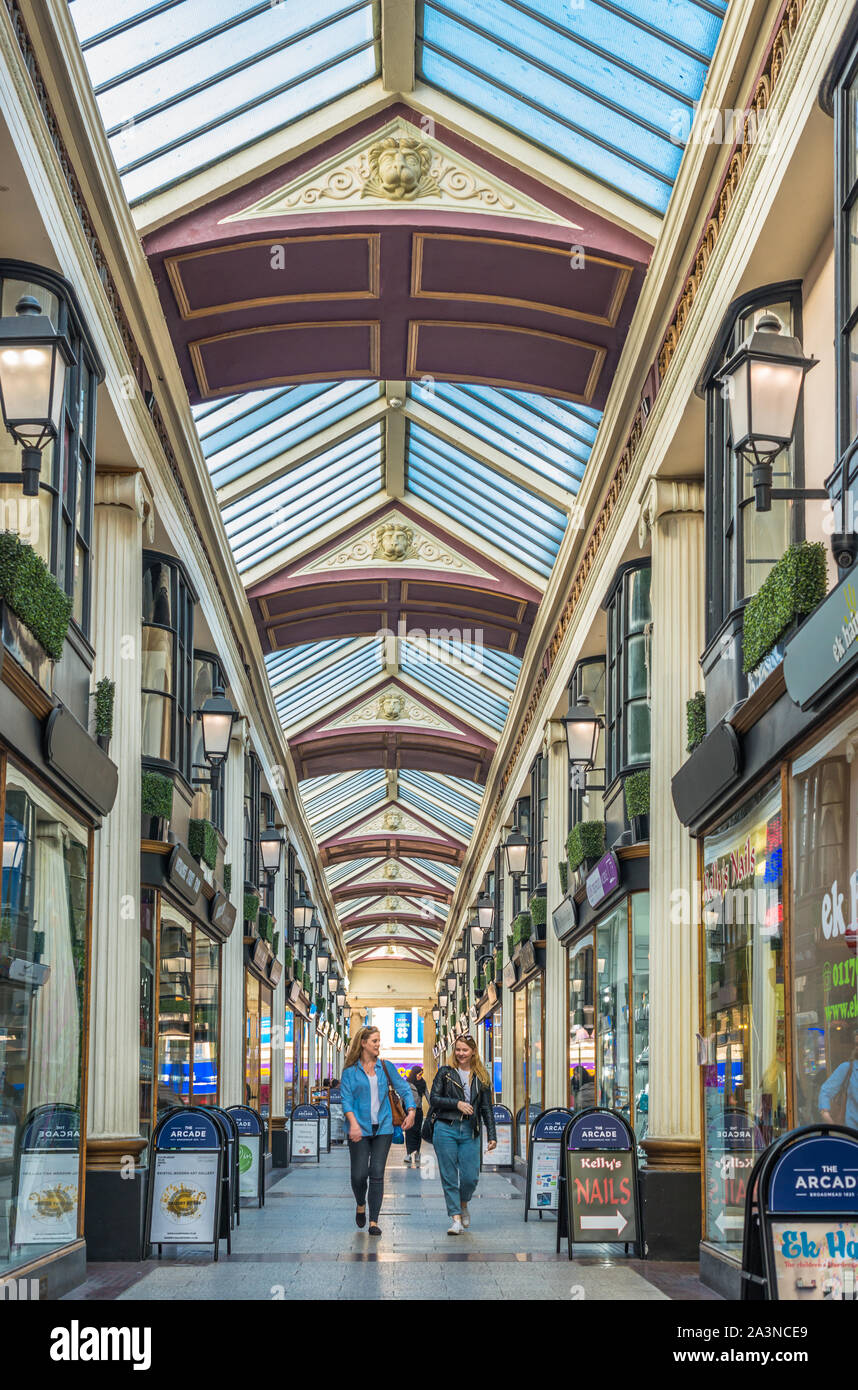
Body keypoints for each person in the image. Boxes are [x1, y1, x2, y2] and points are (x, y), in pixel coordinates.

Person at [340, 1026, 415, 1235]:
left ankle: (374, 1221)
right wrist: (353, 1123)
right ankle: (360, 1204)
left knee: (376, 1173)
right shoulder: (350, 1072)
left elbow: (404, 1088)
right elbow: (346, 1100)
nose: (377, 1044)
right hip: (359, 1130)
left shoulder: (385, 1067)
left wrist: (411, 1110)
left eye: (378, 1040)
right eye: (374, 1040)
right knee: (358, 1175)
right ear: (363, 1043)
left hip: (383, 1128)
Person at [429, 1035, 496, 1234]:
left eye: (464, 1050)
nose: (460, 1054)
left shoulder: (481, 1076)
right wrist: (456, 1104)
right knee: (449, 1175)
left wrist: (492, 1135)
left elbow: (486, 1108)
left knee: (470, 1177)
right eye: (457, 1050)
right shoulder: (445, 1073)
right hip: (445, 1128)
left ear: (473, 1051)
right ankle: (455, 1219)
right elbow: (434, 1099)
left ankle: (463, 1203)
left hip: (470, 1130)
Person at [819, 1032, 858, 1128]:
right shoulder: (847, 1068)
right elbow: (825, 1092)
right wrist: (831, 1124)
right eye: (857, 1044)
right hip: (851, 1134)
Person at [403, 1065, 428, 1167]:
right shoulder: (407, 1083)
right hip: (408, 1111)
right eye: (419, 1074)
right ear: (414, 1073)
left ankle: (417, 1152)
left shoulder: (422, 1083)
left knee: (418, 1132)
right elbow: (402, 1096)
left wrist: (434, 1107)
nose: (420, 1076)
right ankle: (409, 1153)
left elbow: (428, 1095)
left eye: (421, 1074)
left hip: (418, 1111)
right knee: (409, 1132)